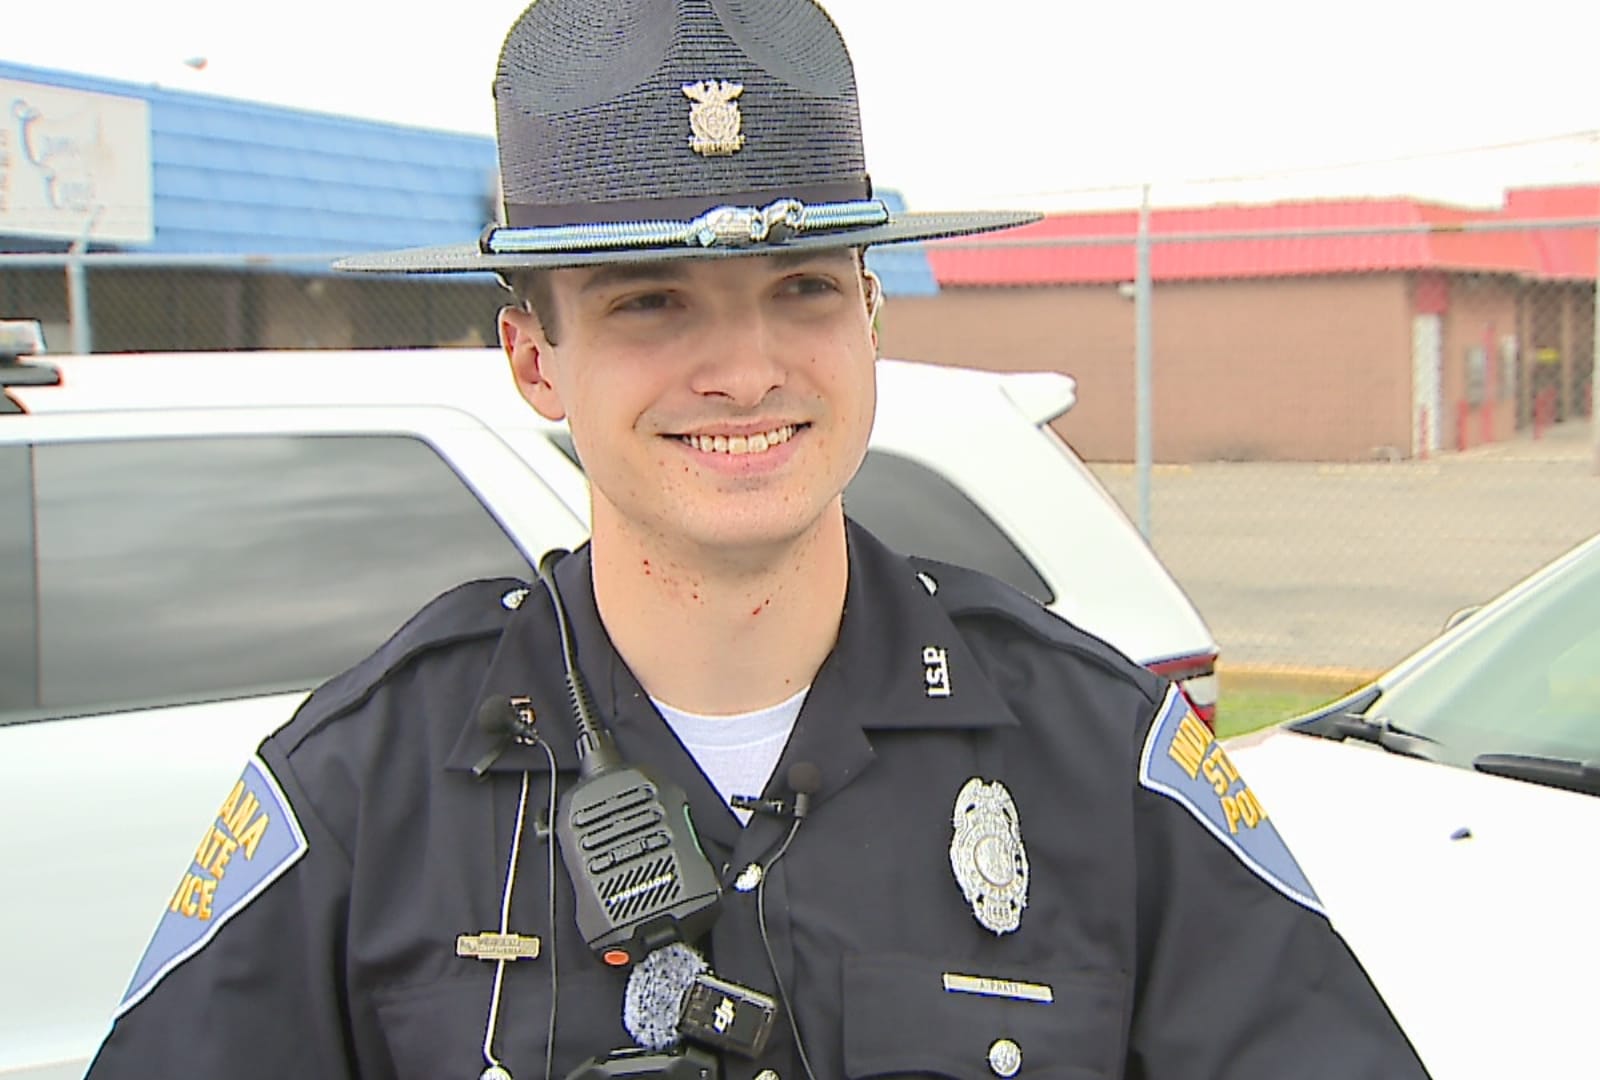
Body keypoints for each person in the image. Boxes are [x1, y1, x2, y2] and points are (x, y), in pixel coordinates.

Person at [86, 1, 1430, 1077]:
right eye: (652, 304)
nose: (747, 368)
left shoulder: (1099, 760)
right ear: (532, 358)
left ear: (871, 319)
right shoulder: (363, 792)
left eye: (800, 290)